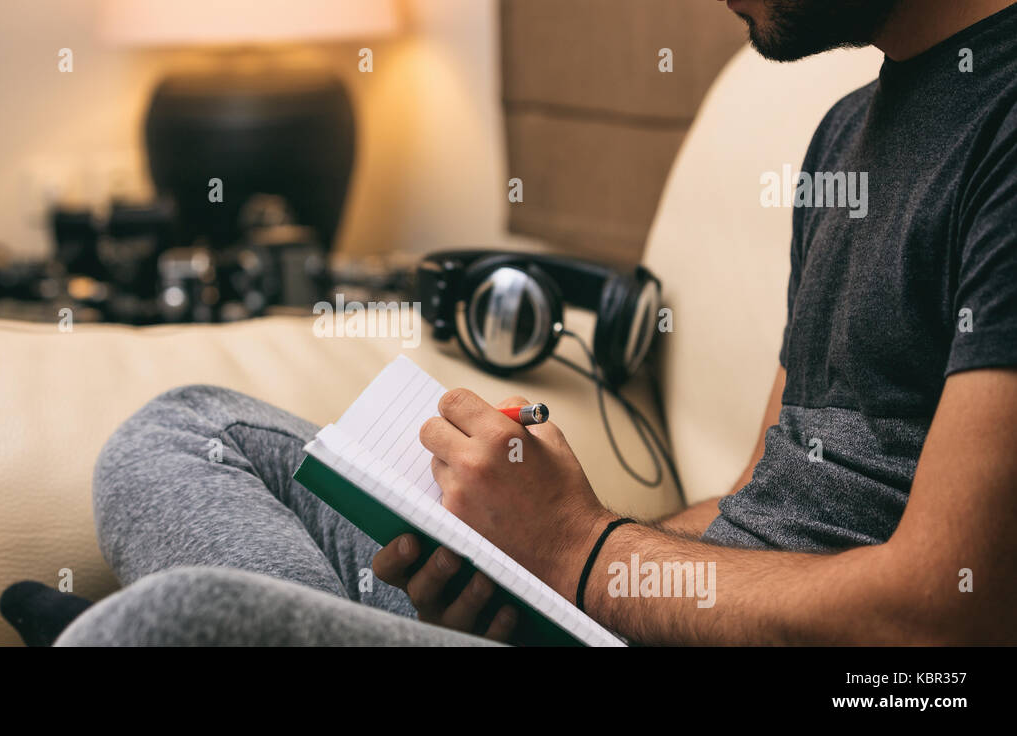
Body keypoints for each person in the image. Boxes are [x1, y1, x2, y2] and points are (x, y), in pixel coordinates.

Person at [56, 0, 1017, 646]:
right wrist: (510, 558)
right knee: (187, 435)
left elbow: (943, 610)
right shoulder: (844, 135)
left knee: (175, 621)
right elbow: (755, 507)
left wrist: (581, 552)